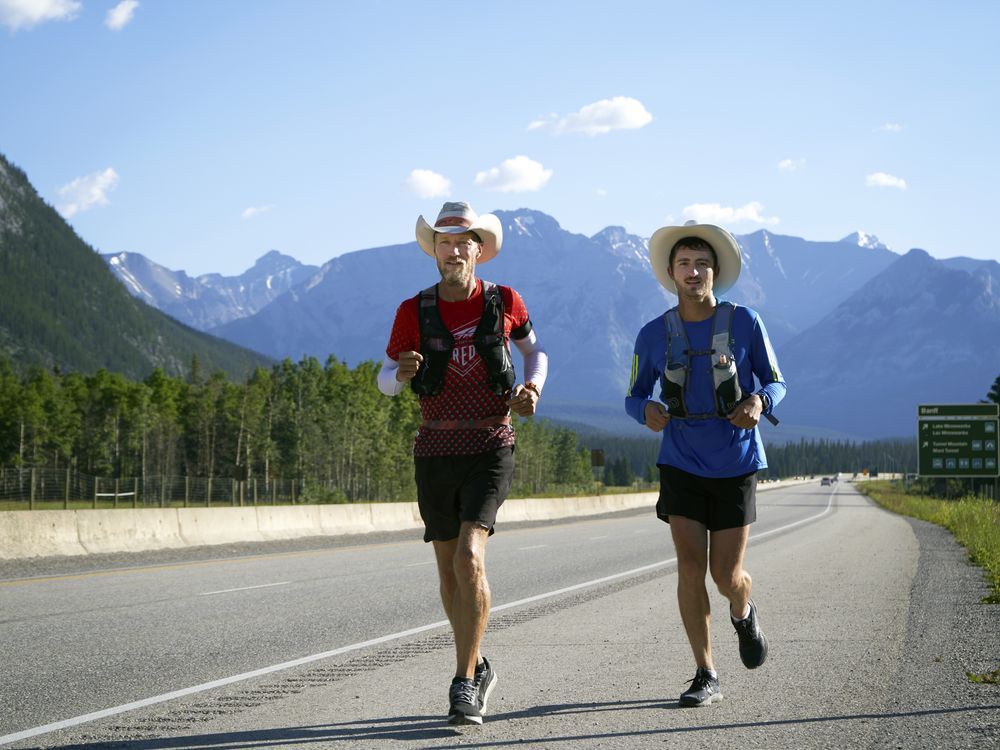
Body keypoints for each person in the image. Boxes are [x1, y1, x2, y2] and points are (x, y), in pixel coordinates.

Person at [378, 201, 547, 725]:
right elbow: (385, 379)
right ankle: (478, 661)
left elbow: (535, 353)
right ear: (434, 251)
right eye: (444, 243)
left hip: (491, 441)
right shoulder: (413, 310)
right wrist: (400, 373)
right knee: (449, 573)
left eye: (463, 242)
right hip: (434, 447)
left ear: (479, 249)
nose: (453, 251)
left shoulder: (505, 300)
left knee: (470, 557)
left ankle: (463, 682)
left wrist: (532, 387)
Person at [625, 221, 786, 707]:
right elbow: (634, 396)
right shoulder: (654, 334)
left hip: (736, 462)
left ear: (715, 271)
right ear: (671, 274)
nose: (693, 272)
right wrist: (647, 411)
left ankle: (743, 610)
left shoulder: (746, 322)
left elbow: (778, 383)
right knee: (690, 568)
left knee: (725, 576)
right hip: (680, 461)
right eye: (684, 265)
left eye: (702, 264)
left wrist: (759, 401)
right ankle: (705, 671)